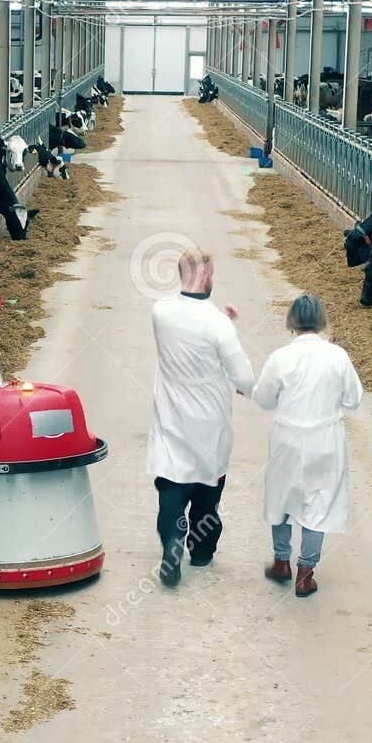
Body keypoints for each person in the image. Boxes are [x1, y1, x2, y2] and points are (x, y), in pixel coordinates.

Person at [146, 248, 255, 587]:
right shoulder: (217, 325)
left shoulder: (160, 311)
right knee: (207, 493)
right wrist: (227, 326)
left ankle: (172, 544)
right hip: (210, 423)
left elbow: (188, 331)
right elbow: (243, 377)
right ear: (207, 276)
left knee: (172, 488)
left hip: (171, 418)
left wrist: (222, 322)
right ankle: (202, 549)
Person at [252, 295, 363, 597]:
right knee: (319, 501)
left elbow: (263, 399)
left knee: (282, 498)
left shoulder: (280, 357)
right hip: (325, 439)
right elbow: (354, 399)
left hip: (287, 438)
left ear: (291, 321)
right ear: (322, 320)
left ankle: (281, 562)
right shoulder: (337, 356)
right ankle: (306, 573)